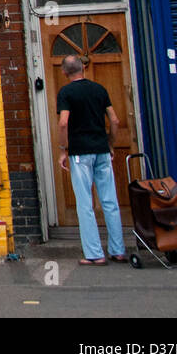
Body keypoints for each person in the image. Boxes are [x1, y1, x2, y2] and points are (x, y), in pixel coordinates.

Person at [56, 55, 126, 265]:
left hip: (80, 153)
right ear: (84, 68)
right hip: (101, 150)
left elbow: (63, 123)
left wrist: (62, 149)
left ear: (64, 72)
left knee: (85, 203)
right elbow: (114, 120)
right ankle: (118, 250)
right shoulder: (99, 90)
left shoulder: (66, 93)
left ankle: (95, 254)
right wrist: (110, 143)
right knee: (110, 201)